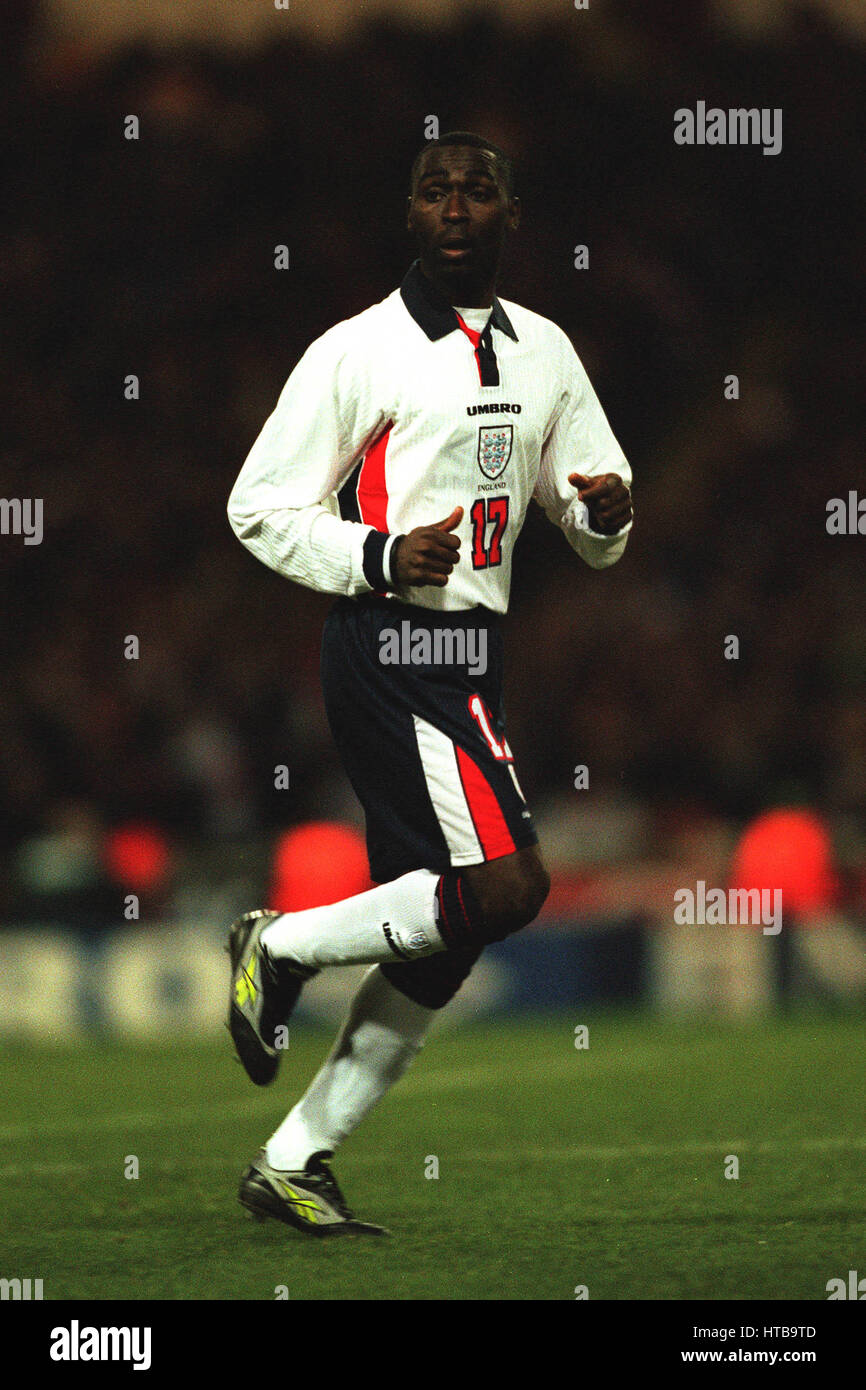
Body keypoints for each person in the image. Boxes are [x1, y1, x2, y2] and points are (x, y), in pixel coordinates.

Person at [225, 132, 633, 1236]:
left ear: (509, 215)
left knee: (447, 945)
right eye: (434, 191)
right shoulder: (354, 352)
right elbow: (256, 504)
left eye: (478, 190)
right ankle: (279, 945)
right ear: (408, 216)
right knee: (509, 889)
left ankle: (292, 1159)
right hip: (393, 641)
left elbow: (592, 496)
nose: (456, 206)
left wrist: (602, 514)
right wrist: (375, 552)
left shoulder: (543, 350)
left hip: (470, 650)